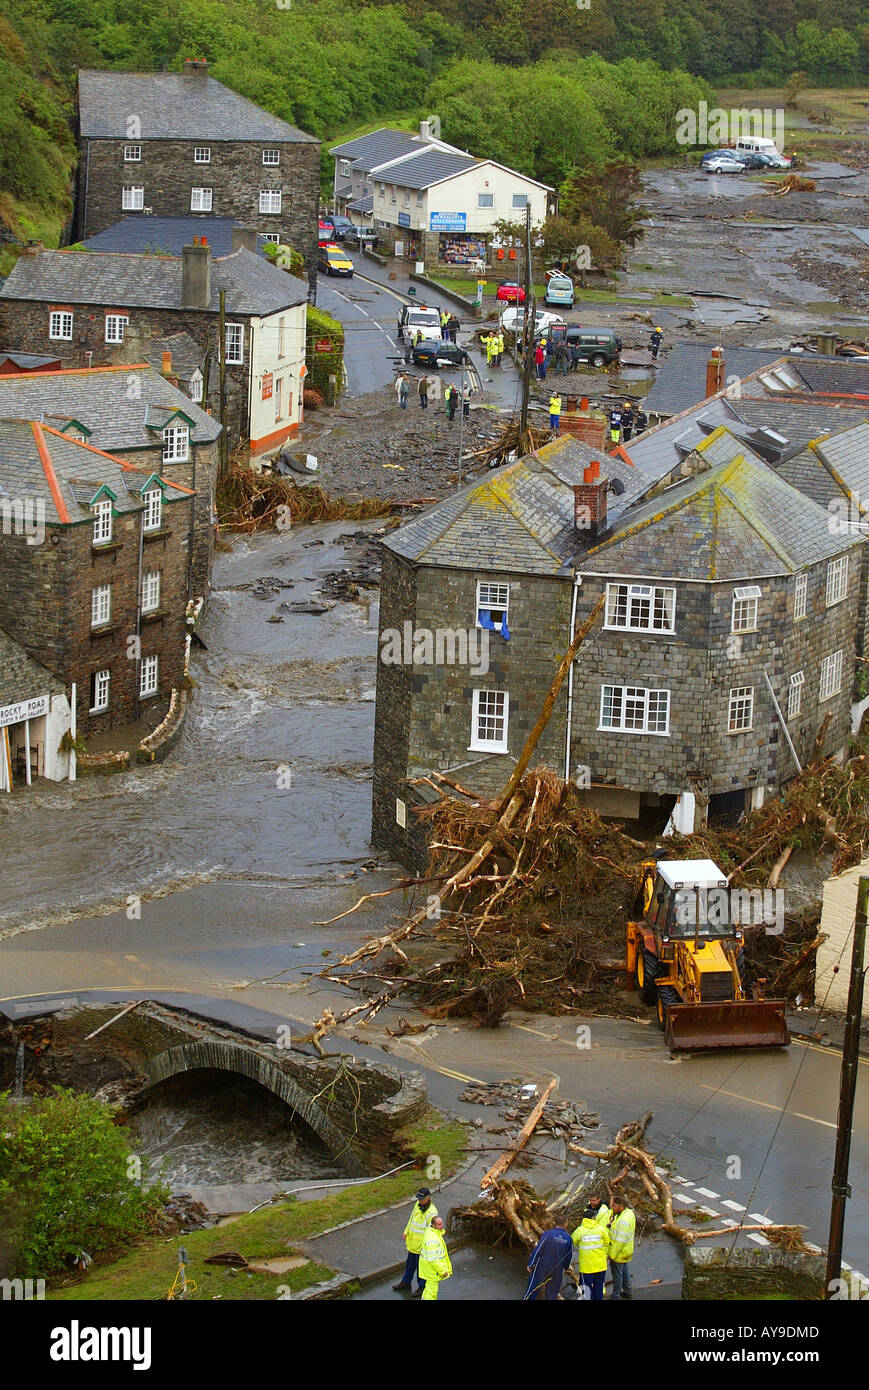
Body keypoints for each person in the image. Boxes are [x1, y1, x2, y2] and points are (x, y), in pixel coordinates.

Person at [393, 1187, 438, 1294]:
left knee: (421, 1268)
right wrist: (406, 1231)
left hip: (422, 1246)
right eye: (418, 1198)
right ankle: (406, 1282)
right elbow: (411, 1219)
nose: (419, 1200)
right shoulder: (417, 1206)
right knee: (410, 1265)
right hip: (413, 1243)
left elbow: (431, 1231)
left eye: (422, 1199)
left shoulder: (432, 1212)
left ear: (428, 1197)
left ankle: (422, 1287)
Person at [524, 1223, 574, 1301]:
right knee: (552, 1294)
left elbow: (538, 1250)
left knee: (533, 1289)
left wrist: (531, 1264)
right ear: (566, 1224)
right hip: (557, 1269)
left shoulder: (547, 1234)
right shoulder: (568, 1238)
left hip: (542, 1266)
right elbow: (569, 1256)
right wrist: (566, 1267)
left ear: (555, 1223)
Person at [572, 1205, 610, 1302]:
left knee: (587, 1290)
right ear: (593, 1218)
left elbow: (572, 1241)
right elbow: (607, 1242)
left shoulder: (579, 1231)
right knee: (599, 1288)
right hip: (600, 1265)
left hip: (586, 1267)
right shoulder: (601, 1229)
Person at [608, 1197, 636, 1300]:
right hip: (627, 1251)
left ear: (621, 1206)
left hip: (619, 1253)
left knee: (617, 1276)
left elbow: (620, 1240)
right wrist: (612, 1225)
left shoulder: (623, 1220)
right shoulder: (628, 1213)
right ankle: (628, 1291)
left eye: (615, 1206)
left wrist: (612, 1255)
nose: (613, 1208)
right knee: (625, 1272)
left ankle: (615, 1296)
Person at [418, 1216, 452, 1301]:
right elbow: (433, 1259)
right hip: (432, 1271)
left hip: (428, 1269)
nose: (442, 1226)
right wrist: (442, 1271)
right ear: (433, 1225)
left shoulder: (432, 1233)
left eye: (442, 1224)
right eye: (439, 1224)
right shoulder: (432, 1240)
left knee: (428, 1290)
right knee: (432, 1292)